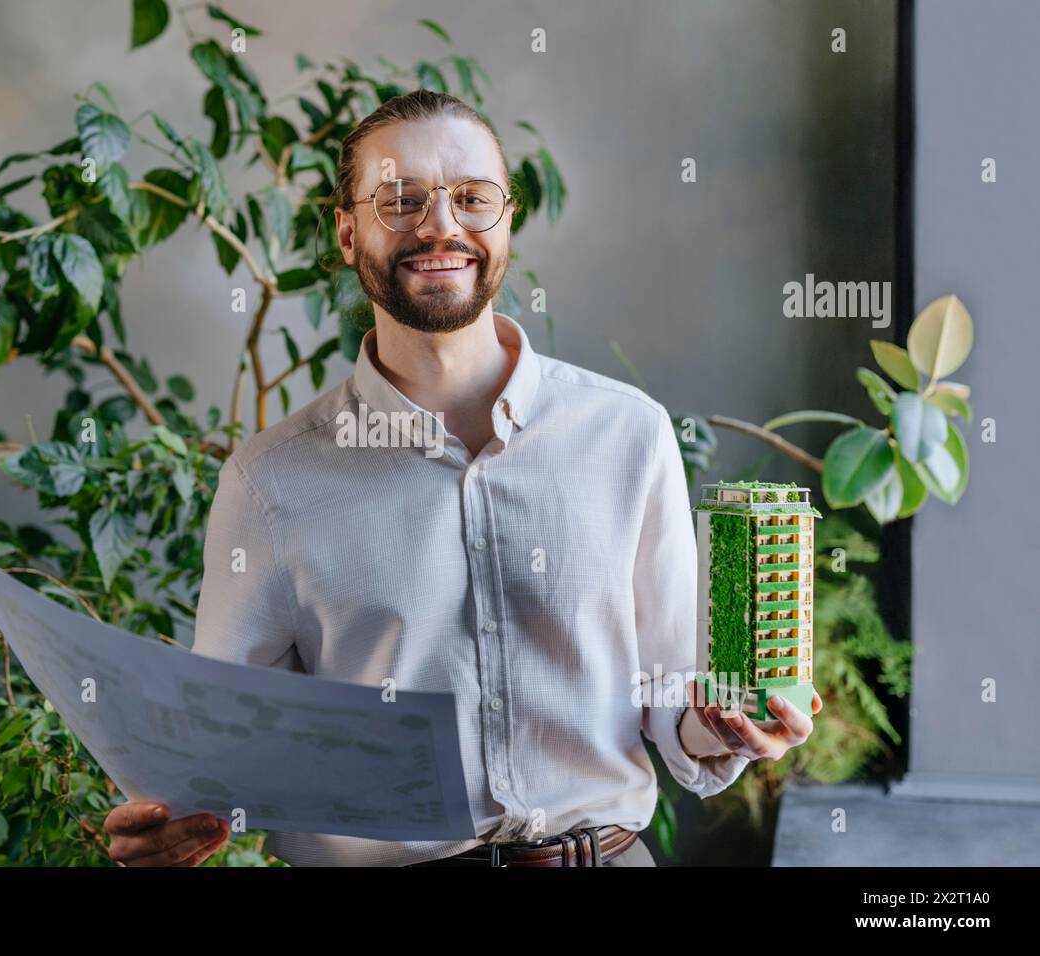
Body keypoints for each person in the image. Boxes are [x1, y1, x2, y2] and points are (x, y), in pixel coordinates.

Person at [103, 89, 821, 868]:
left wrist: (723, 723)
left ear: (506, 220)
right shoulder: (269, 481)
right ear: (347, 232)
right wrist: (177, 819)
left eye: (473, 198)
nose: (441, 225)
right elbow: (225, 743)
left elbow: (669, 693)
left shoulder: (629, 435)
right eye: (400, 199)